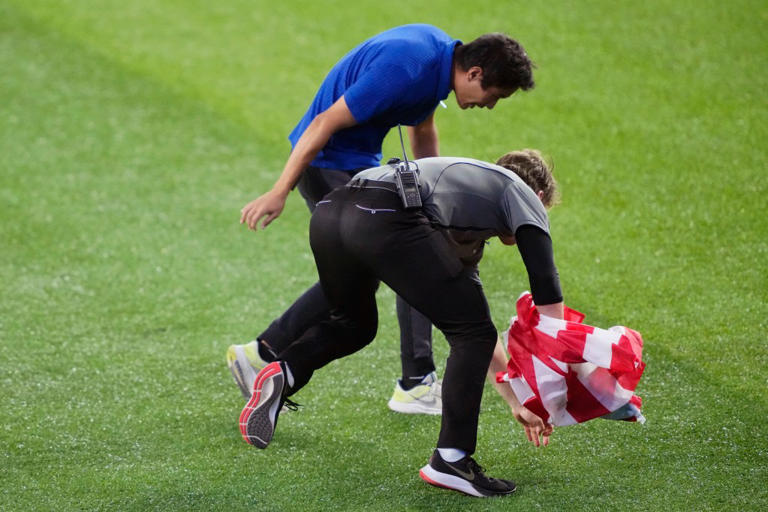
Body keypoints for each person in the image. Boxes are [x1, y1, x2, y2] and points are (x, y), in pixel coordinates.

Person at [227, 24, 535, 415]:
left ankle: (263, 354)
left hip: (357, 165)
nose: (489, 105)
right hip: (328, 164)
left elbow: (422, 130)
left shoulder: (436, 64)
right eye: (494, 96)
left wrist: (431, 200)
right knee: (406, 262)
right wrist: (279, 190)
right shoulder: (407, 66)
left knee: (383, 264)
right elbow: (322, 123)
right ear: (474, 74)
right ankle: (414, 382)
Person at [238, 150, 562, 497]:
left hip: (332, 211)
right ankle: (452, 459)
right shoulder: (521, 192)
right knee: (472, 333)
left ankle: (287, 369)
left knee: (355, 324)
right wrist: (562, 381)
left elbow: (475, 323)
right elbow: (546, 287)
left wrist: (516, 400)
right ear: (539, 197)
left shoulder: (466, 210)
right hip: (383, 214)